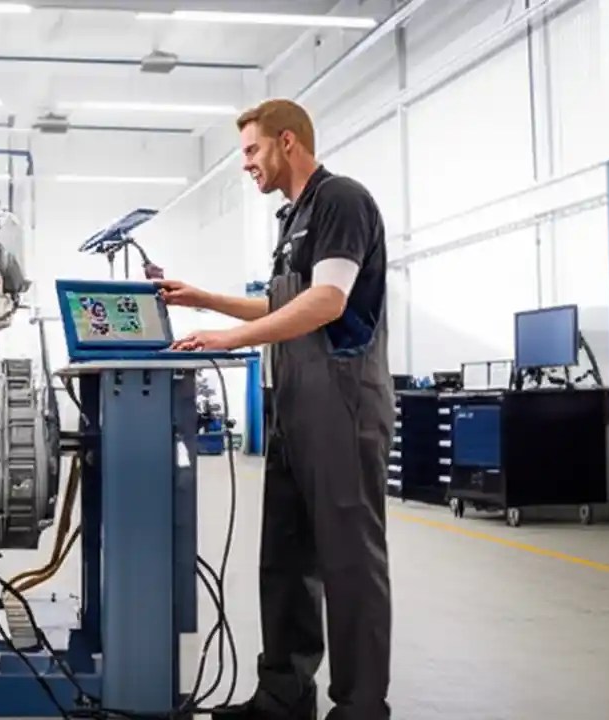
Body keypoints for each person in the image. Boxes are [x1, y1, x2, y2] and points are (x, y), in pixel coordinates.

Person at [160, 99, 393, 720]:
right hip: (296, 404)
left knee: (349, 561)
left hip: (344, 404)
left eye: (252, 151)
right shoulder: (295, 220)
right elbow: (278, 306)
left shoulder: (340, 200)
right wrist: (203, 300)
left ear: (287, 142)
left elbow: (326, 302)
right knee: (285, 556)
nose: (246, 165)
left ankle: (361, 707)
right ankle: (284, 696)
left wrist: (226, 342)